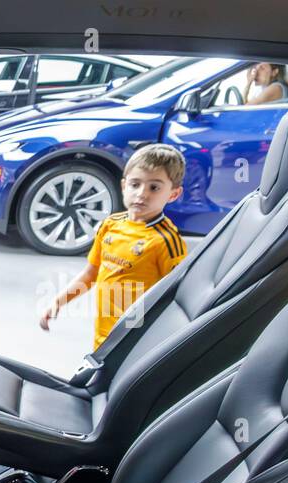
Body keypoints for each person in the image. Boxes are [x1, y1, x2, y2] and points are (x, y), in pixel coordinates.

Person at [41, 143, 187, 349]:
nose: (142, 194)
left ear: (173, 194)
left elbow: (174, 300)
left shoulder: (166, 241)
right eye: (135, 184)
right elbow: (91, 273)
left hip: (136, 342)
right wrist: (59, 301)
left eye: (154, 187)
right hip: (103, 335)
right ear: (123, 186)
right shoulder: (111, 225)